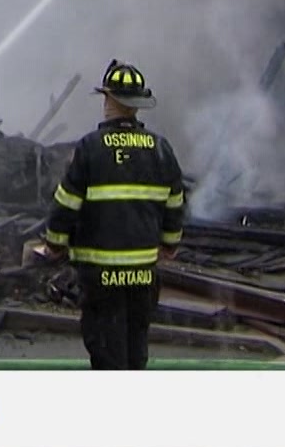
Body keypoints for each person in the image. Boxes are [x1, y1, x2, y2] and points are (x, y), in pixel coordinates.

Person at [41, 60, 188, 370]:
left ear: (110, 100)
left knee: (107, 353)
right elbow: (175, 204)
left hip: (100, 274)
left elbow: (65, 205)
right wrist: (169, 244)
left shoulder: (91, 148)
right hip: (144, 274)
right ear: (137, 105)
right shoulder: (160, 149)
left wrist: (54, 245)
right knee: (136, 350)